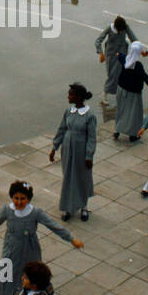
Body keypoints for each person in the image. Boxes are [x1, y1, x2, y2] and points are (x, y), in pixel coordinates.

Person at [0, 181, 81, 295]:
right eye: (16, 198)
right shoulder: (7, 210)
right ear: (11, 197)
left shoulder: (35, 213)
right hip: (10, 249)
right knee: (4, 276)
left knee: (29, 280)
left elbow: (53, 225)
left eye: (23, 198)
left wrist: (70, 238)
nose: (19, 201)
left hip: (30, 251)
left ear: (29, 199)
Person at [50, 84, 97, 222]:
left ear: (78, 97)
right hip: (68, 150)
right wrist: (54, 147)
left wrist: (89, 155)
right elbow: (62, 129)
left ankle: (83, 206)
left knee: (82, 177)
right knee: (68, 177)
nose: (68, 97)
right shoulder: (68, 111)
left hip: (81, 151)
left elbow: (92, 138)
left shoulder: (89, 115)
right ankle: (67, 207)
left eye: (71, 95)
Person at [113, 42, 148, 141]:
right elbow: (147, 80)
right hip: (133, 93)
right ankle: (133, 134)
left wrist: (118, 54)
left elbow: (118, 54)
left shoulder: (125, 59)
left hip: (121, 90)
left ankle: (117, 130)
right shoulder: (138, 66)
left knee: (121, 110)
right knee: (133, 114)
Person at [95, 17, 132, 101]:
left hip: (122, 54)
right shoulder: (110, 28)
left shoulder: (125, 27)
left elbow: (133, 38)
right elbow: (98, 40)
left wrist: (139, 49)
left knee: (119, 74)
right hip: (111, 55)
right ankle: (106, 93)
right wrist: (100, 53)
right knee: (111, 74)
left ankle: (113, 93)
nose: (119, 32)